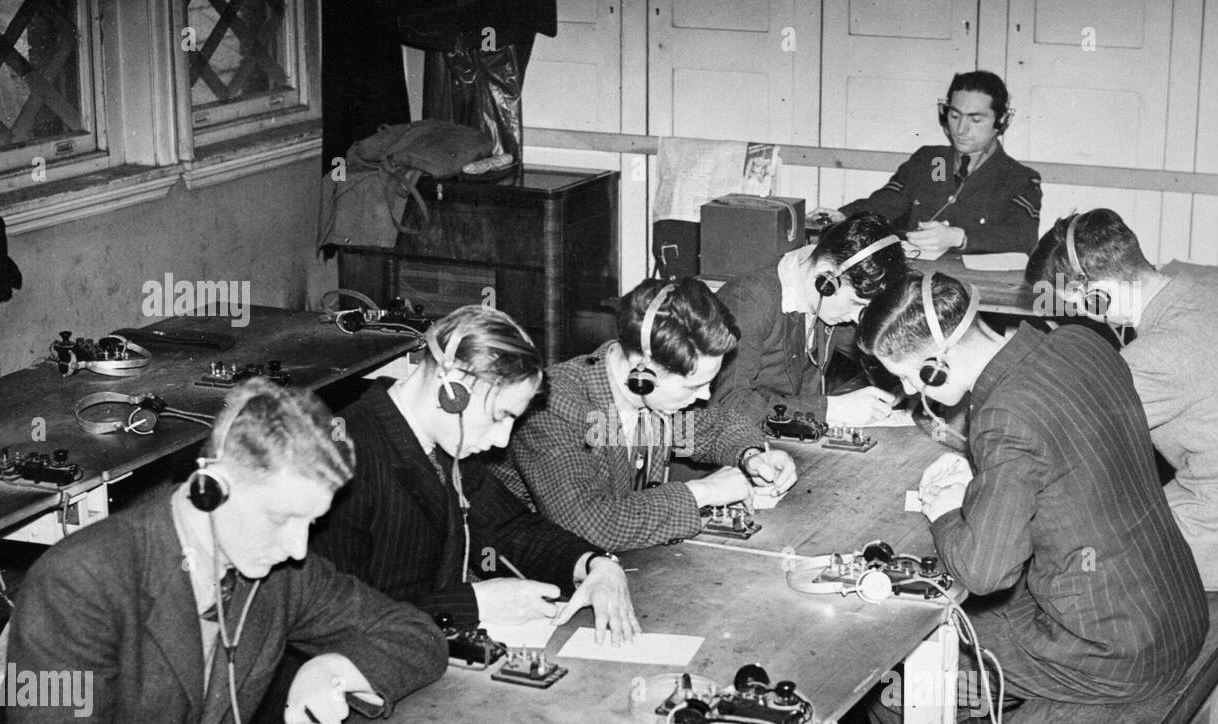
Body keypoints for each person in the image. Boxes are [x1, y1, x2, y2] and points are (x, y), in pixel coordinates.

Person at [0, 379, 448, 724]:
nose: (297, 547)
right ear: (212, 489)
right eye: (282, 519)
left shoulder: (280, 572)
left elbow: (416, 635)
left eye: (310, 524)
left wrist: (335, 668)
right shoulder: (75, 579)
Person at [858, 271, 1208, 724]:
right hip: (1175, 609)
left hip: (1112, 650)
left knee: (896, 673)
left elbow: (984, 572)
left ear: (938, 366)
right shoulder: (1079, 341)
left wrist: (946, 513)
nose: (909, 391)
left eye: (911, 377)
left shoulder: (1003, 416)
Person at [310, 305, 639, 643]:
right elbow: (336, 618)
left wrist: (594, 565)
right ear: (451, 390)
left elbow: (508, 529)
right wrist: (472, 603)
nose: (502, 440)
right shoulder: (344, 456)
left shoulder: (449, 444)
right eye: (499, 416)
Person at [1025, 208, 1218, 591]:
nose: (1076, 314)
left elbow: (1061, 442)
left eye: (1074, 303)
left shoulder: (1159, 355)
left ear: (1096, 294)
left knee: (1059, 555)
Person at [495, 278, 797, 552]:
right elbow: (590, 525)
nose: (705, 395)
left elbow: (717, 427)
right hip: (532, 586)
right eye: (694, 385)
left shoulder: (648, 400)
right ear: (643, 372)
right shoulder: (555, 407)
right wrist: (702, 492)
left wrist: (751, 455)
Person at [710, 212, 906, 425]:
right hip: (744, 446)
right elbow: (728, 405)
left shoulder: (826, 297)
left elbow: (872, 349)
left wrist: (906, 374)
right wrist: (832, 408)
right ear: (827, 278)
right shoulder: (749, 302)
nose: (857, 319)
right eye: (856, 304)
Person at [821, 71, 1042, 258]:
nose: (961, 129)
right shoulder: (930, 161)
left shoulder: (1019, 179)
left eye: (976, 120)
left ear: (1001, 122)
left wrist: (959, 238)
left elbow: (1023, 239)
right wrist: (843, 217)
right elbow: (884, 204)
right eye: (955, 116)